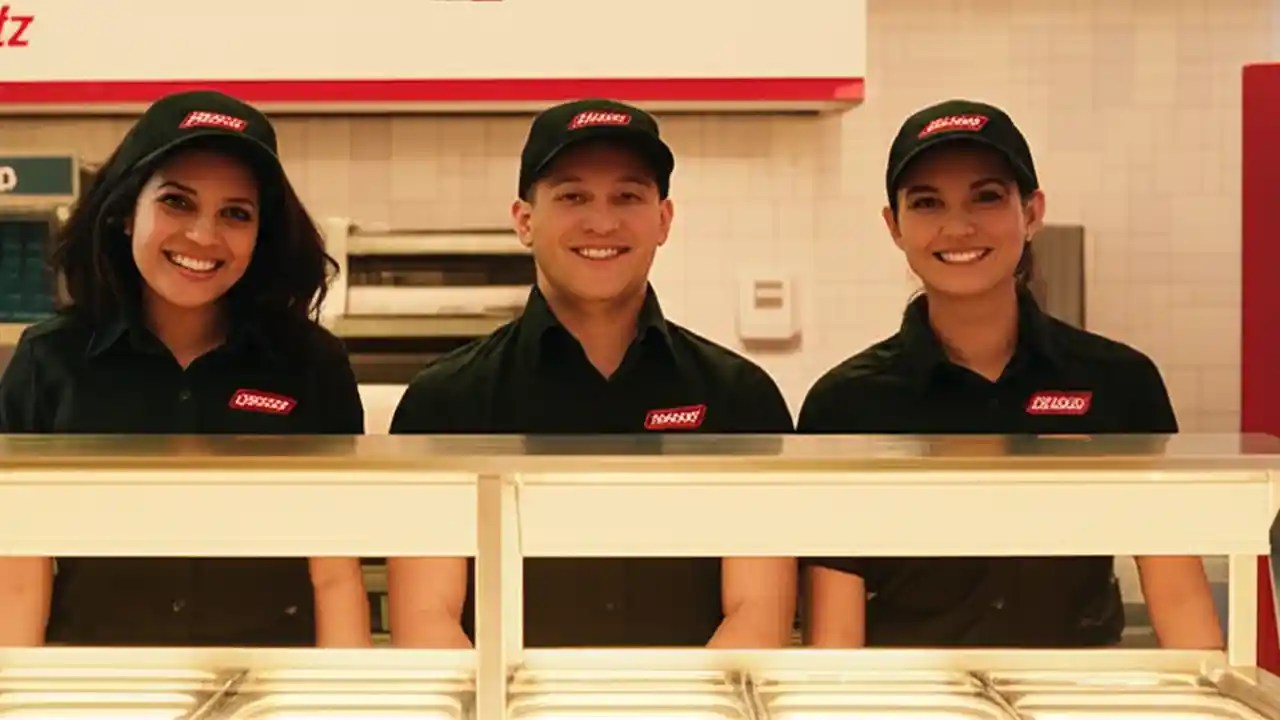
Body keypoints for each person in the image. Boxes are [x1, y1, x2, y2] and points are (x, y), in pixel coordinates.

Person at [799, 99, 1224, 650]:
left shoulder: (1119, 382)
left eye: (987, 197)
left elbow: (1180, 600)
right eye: (927, 203)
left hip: (1076, 698)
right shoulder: (845, 404)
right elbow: (834, 640)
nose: (958, 226)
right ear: (894, 226)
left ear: (1032, 211)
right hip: (907, 701)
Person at [387, 98, 797, 649]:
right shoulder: (444, 402)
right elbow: (426, 618)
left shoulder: (740, 398)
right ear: (525, 220)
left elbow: (757, 613)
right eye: (573, 196)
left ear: (663, 219)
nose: (602, 221)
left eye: (627, 196)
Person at [0, 90, 370, 648]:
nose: (203, 235)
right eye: (177, 202)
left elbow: (336, 576)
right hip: (97, 687)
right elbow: (18, 583)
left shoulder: (310, 364)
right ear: (126, 212)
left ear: (260, 235)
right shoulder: (49, 361)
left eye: (235, 214)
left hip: (269, 684)